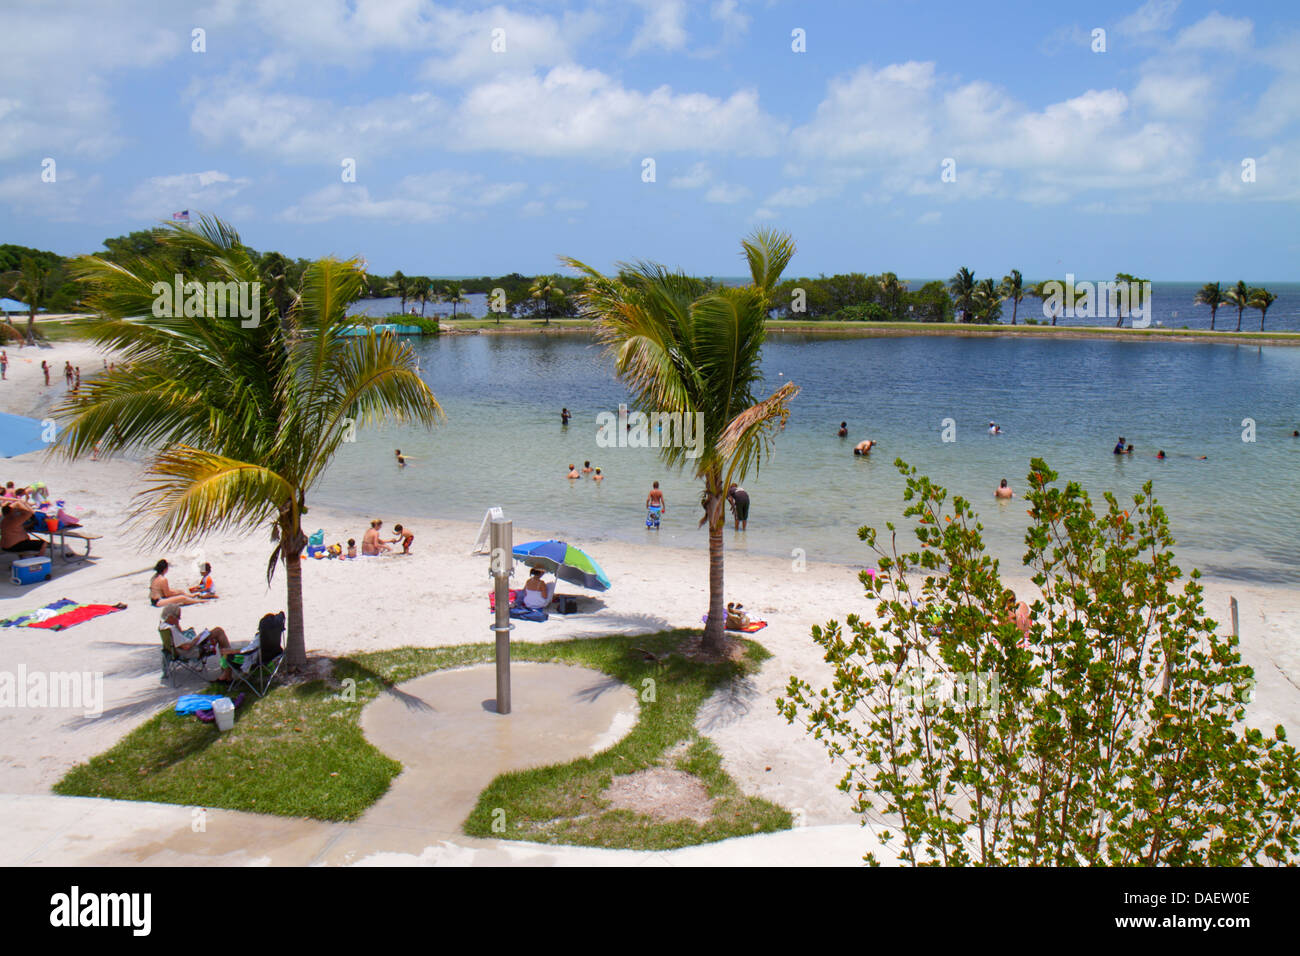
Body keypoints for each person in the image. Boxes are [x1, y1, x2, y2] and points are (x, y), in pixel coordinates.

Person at [159, 605, 237, 683]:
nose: (179, 619)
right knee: (219, 631)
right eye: (178, 617)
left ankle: (226, 672)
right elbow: (186, 647)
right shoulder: (172, 629)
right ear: (171, 617)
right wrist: (197, 638)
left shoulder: (163, 626)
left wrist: (176, 624)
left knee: (218, 636)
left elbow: (179, 637)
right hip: (192, 651)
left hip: (182, 650)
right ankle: (227, 671)